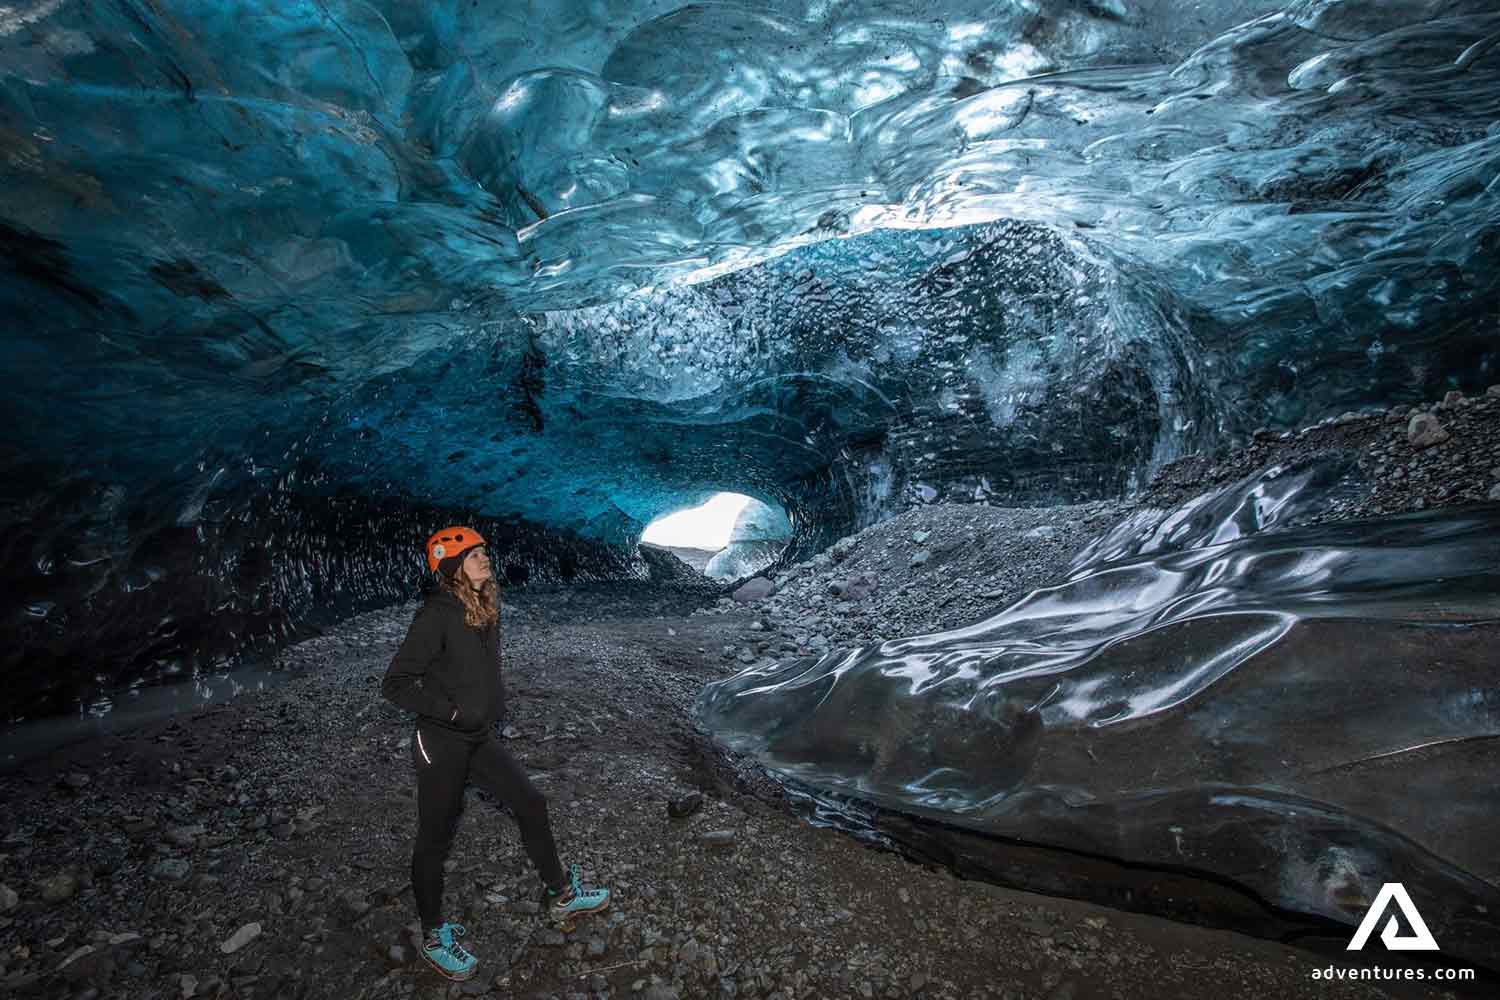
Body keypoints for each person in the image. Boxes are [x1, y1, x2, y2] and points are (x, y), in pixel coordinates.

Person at [381, 525, 610, 982]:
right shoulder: (436, 614)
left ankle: (560, 891)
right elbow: (396, 684)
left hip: (478, 738)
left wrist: (488, 709)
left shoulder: (485, 608)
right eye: (473, 555)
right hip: (441, 744)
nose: (485, 558)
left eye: (484, 551)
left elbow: (479, 674)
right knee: (434, 839)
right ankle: (432, 936)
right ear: (452, 567)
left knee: (531, 802)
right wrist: (452, 712)